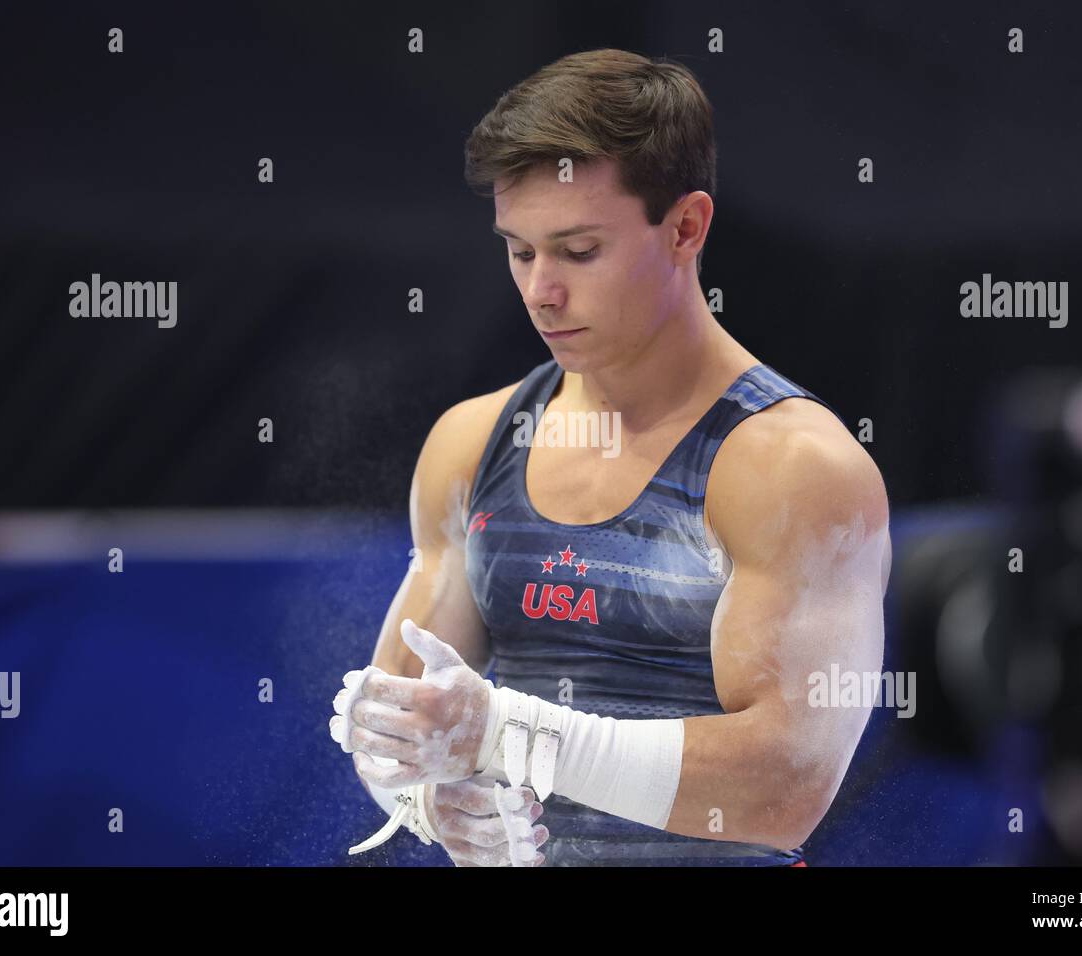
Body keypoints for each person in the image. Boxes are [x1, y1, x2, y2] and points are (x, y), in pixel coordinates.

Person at [328, 48, 891, 867]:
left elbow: (785, 789)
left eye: (579, 251)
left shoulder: (792, 468)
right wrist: (429, 801)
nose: (539, 291)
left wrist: (512, 734)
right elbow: (403, 721)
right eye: (519, 251)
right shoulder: (472, 441)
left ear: (687, 228)